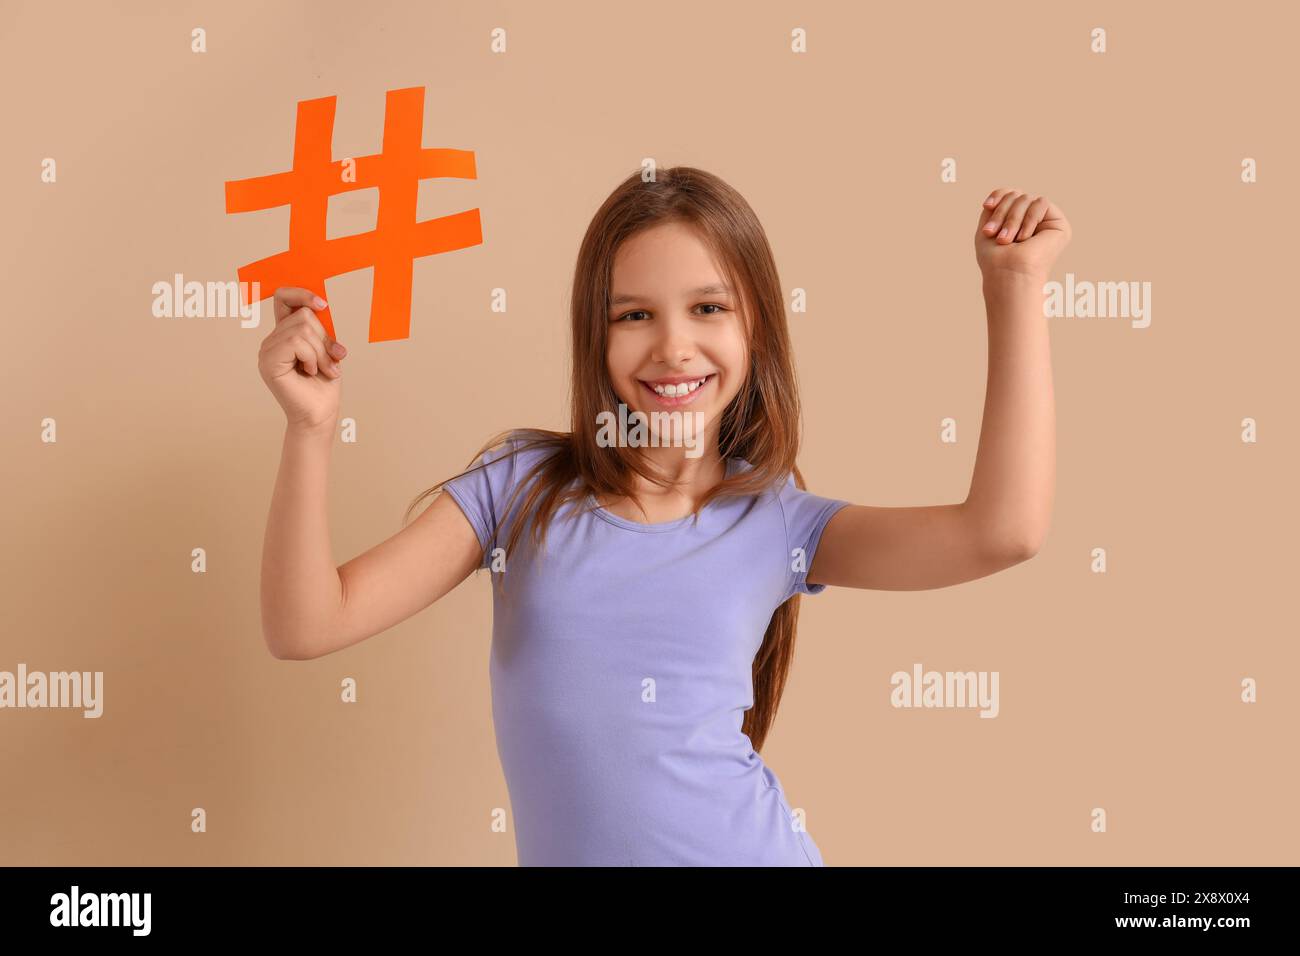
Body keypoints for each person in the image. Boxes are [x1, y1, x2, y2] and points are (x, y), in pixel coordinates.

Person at [257, 167, 1068, 866]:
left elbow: (1002, 532)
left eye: (709, 309)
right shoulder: (521, 490)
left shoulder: (777, 523)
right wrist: (311, 430)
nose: (674, 348)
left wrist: (1014, 289)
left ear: (756, 330)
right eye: (634, 314)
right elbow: (305, 625)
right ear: (595, 337)